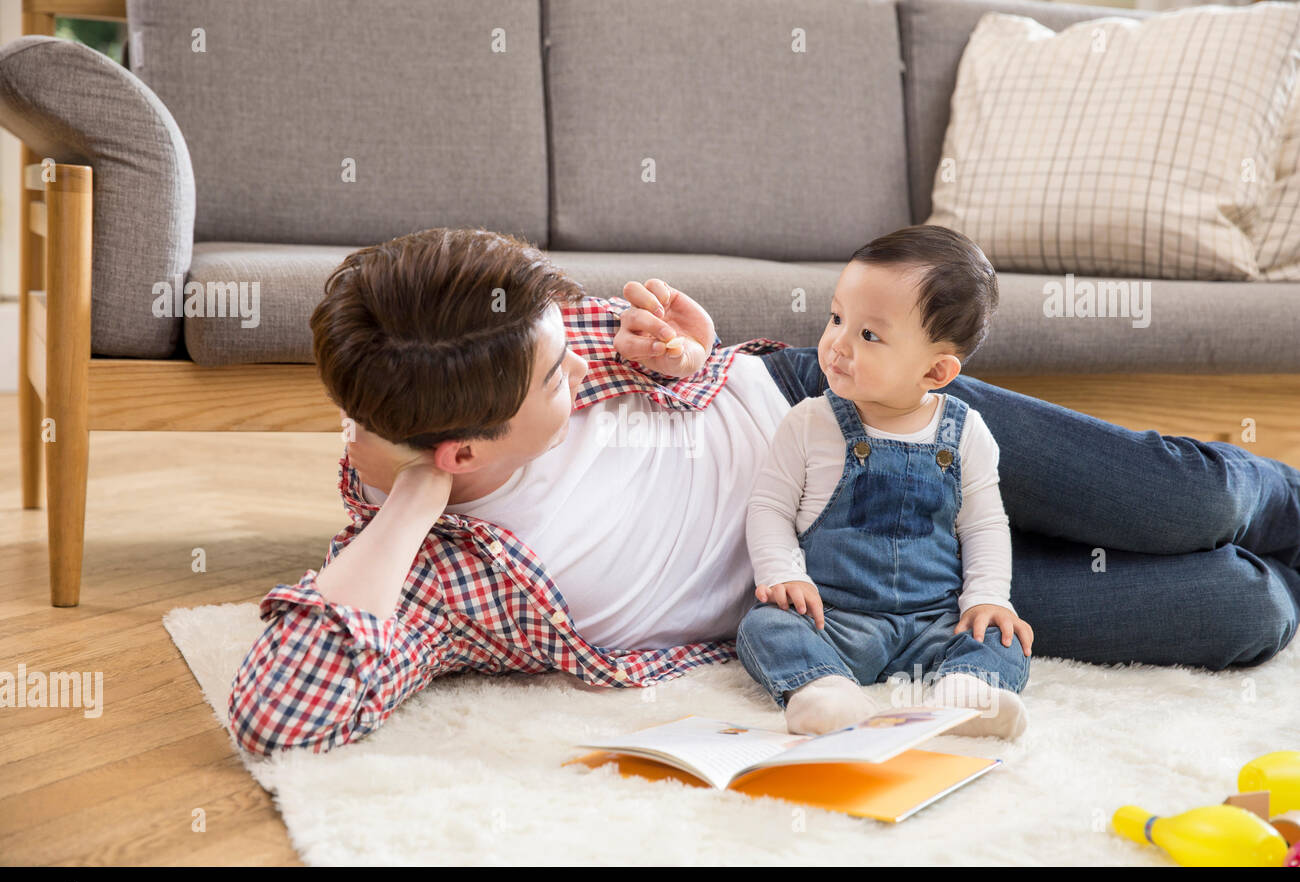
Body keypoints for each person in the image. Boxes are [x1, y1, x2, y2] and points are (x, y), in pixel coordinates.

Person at [226, 226, 1300, 756]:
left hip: (848, 408)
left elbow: (655, 357)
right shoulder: (439, 581)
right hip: (859, 591)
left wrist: (693, 356)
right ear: (460, 451)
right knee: (1239, 609)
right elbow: (277, 715)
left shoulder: (481, 342)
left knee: (1193, 503)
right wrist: (411, 507)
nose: (584, 347)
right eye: (557, 373)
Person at [740, 226, 1029, 739]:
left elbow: (984, 524)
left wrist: (987, 597)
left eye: (868, 335)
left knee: (1001, 635)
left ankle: (968, 691)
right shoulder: (810, 422)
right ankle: (824, 690)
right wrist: (785, 573)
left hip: (934, 625)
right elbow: (769, 507)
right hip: (837, 620)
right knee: (765, 625)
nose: (837, 344)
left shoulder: (965, 433)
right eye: (836, 318)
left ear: (936, 371)